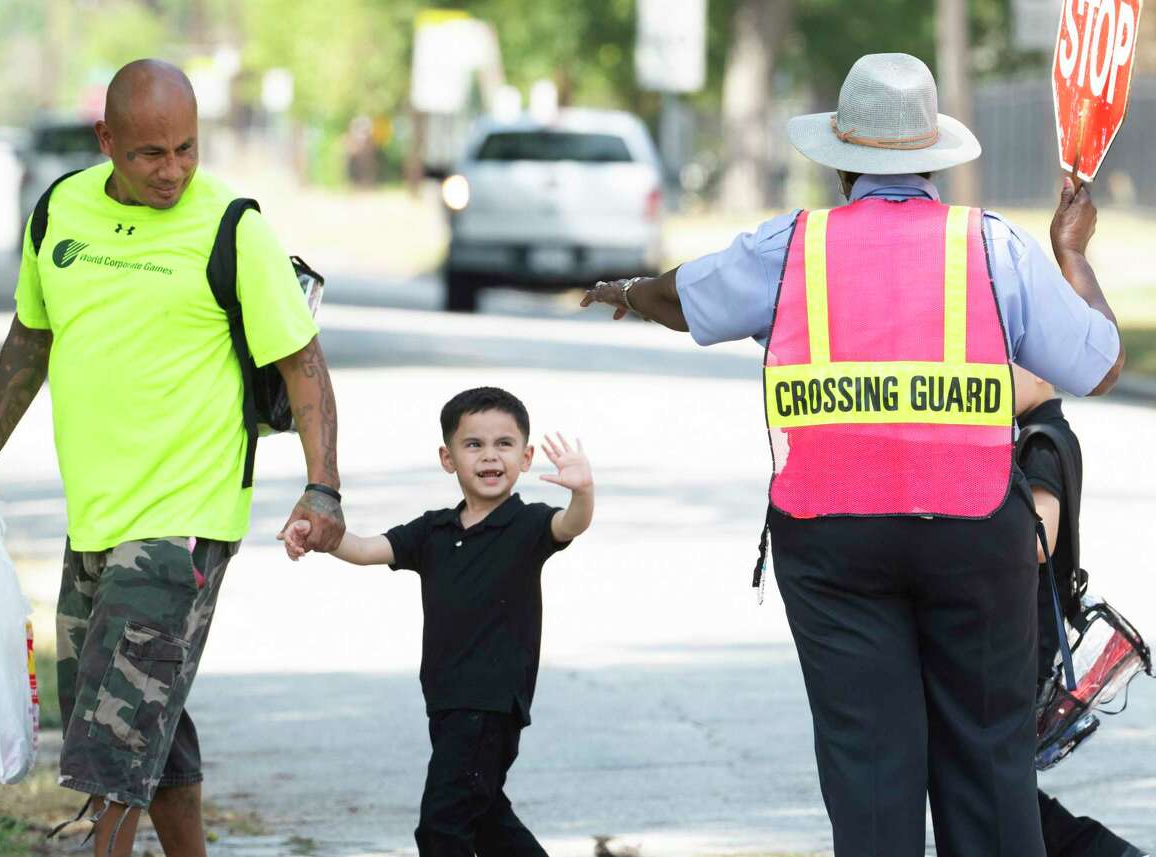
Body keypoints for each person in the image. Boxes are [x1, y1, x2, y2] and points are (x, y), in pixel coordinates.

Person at [582, 53, 1124, 857]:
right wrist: (1072, 256)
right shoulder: (990, 247)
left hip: (831, 541)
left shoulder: (791, 246)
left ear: (840, 163)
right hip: (974, 536)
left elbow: (683, 295)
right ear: (933, 159)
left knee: (869, 769)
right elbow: (1099, 363)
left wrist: (627, 291)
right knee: (988, 762)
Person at [0, 59, 345, 857]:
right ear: (107, 140)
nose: (173, 171)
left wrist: (323, 487)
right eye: (150, 154)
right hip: (97, 513)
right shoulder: (59, 211)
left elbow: (302, 361)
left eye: (186, 149)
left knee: (111, 735)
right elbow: (32, 335)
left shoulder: (232, 227)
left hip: (184, 521)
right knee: (138, 717)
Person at [281, 387, 593, 857]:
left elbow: (571, 524)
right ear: (448, 458)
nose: (490, 456)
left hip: (490, 702)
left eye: (504, 444)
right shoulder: (433, 530)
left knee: (442, 827)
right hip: (446, 700)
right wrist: (318, 534)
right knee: (485, 819)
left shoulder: (529, 524)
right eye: (474, 444)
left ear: (526, 457)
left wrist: (582, 491)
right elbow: (364, 549)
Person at [1015, 366, 1150, 857]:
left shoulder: (1041, 441)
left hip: (1026, 638)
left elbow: (1038, 538)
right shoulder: (1047, 432)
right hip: (1029, 633)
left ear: (1038, 375)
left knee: (1000, 787)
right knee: (998, 784)